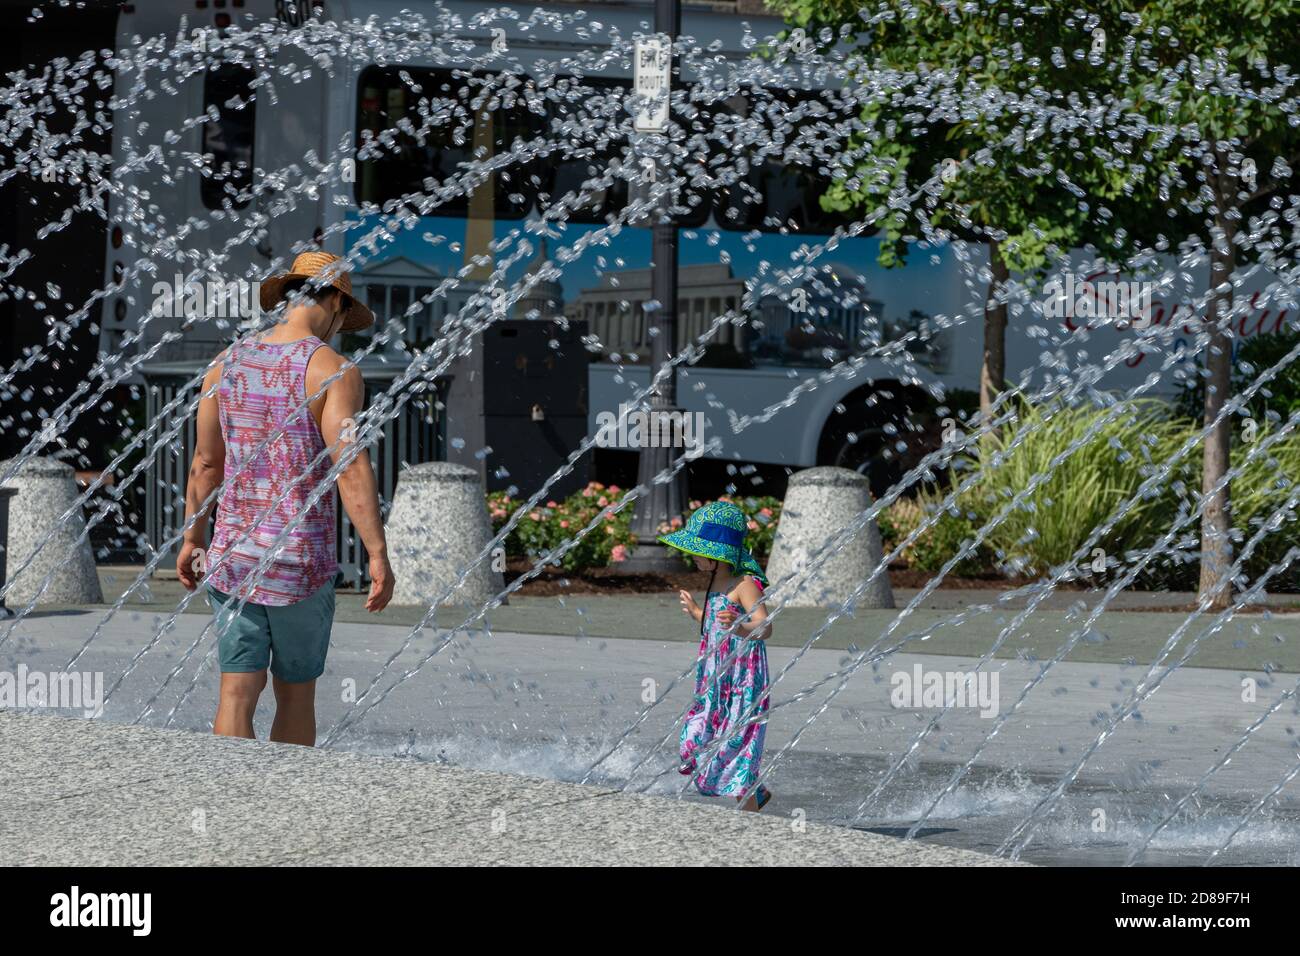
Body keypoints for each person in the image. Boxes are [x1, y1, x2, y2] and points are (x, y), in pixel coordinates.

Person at [176, 250, 394, 746]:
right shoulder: (332, 369)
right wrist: (377, 554)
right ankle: (282, 808)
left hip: (232, 557)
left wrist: (193, 538)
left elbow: (206, 464)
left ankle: (229, 801)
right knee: (296, 694)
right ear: (337, 300)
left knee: (235, 692)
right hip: (300, 561)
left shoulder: (226, 363)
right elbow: (349, 464)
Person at [660, 500, 774, 811]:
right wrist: (698, 612)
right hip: (715, 676)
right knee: (696, 738)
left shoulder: (744, 584)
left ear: (718, 554)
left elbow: (765, 627)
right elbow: (714, 625)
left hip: (742, 678)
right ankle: (755, 792)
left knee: (736, 743)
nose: (693, 556)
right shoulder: (716, 584)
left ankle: (750, 814)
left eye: (698, 551)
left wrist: (739, 627)